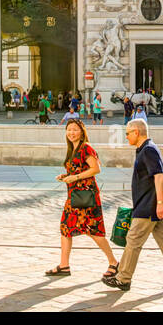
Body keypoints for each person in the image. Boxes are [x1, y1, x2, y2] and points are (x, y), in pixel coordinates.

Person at [102, 119, 163, 291]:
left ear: (136, 132)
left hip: (149, 206)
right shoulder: (144, 149)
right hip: (151, 204)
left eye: (127, 133)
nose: (126, 137)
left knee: (133, 240)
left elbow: (159, 177)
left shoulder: (148, 150)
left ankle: (123, 278)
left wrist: (159, 203)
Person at [46, 119, 120, 280]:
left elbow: (96, 169)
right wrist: (66, 176)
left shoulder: (86, 148)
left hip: (86, 197)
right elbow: (78, 169)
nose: (71, 132)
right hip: (75, 196)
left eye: (75, 129)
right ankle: (64, 265)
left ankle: (114, 262)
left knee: (93, 231)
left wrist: (75, 177)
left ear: (82, 132)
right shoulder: (73, 149)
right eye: (69, 130)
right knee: (66, 228)